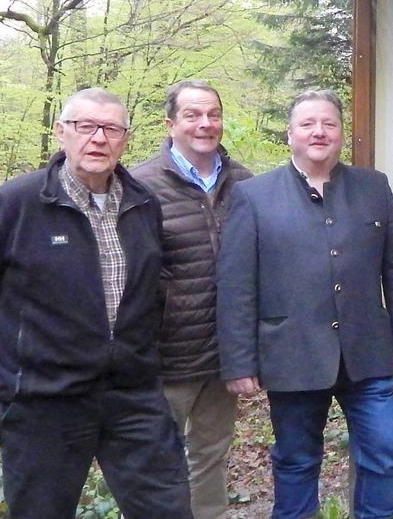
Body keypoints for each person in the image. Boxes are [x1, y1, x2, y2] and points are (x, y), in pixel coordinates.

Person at [0, 88, 192, 518]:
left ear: (126, 139)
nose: (98, 138)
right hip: (44, 401)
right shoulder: (14, 205)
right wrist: (18, 360)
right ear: (62, 132)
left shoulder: (143, 205)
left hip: (132, 395)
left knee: (167, 508)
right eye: (86, 127)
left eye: (111, 129)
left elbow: (154, 291)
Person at [217, 89, 393, 519]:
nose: (319, 132)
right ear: (290, 134)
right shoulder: (254, 196)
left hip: (368, 352)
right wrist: (239, 362)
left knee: (385, 452)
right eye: (308, 124)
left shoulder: (373, 186)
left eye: (329, 123)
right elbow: (237, 286)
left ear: (341, 133)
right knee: (296, 462)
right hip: (292, 353)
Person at [131, 80, 254, 519]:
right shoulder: (139, 185)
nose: (206, 124)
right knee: (157, 461)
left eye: (214, 115)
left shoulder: (245, 182)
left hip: (225, 355)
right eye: (193, 115)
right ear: (171, 124)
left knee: (211, 456)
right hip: (166, 357)